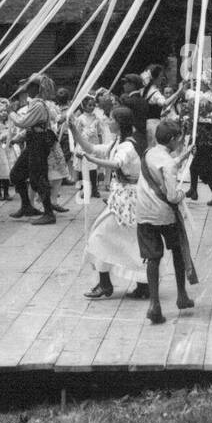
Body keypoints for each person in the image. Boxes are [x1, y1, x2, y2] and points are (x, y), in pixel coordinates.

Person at [72, 106, 150, 301]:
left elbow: (116, 164)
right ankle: (139, 284)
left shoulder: (127, 146)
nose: (108, 121)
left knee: (101, 236)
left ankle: (108, 284)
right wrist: (74, 131)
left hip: (128, 199)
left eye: (111, 119)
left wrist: (91, 159)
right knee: (129, 240)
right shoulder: (119, 141)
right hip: (124, 198)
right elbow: (92, 148)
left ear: (120, 123)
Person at [134, 119, 198, 324]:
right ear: (172, 139)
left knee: (152, 258)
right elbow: (172, 195)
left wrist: (184, 156)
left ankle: (154, 304)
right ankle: (182, 295)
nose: (180, 142)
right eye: (179, 139)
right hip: (164, 214)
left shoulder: (149, 153)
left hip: (144, 212)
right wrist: (183, 193)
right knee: (178, 250)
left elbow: (162, 166)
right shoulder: (168, 163)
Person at [7, 77, 61, 224]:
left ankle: (49, 213)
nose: (27, 90)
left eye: (29, 87)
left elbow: (23, 122)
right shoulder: (36, 104)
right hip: (33, 141)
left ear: (36, 89)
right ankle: (27, 206)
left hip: (39, 143)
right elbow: (33, 126)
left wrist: (11, 113)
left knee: (38, 178)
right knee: (16, 174)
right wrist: (19, 138)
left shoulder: (38, 105)